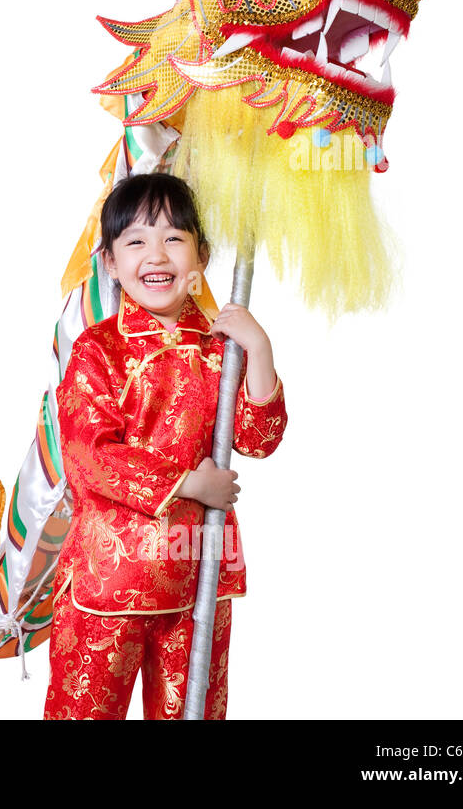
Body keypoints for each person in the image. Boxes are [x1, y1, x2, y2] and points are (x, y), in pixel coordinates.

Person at [44, 173, 287, 720]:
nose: (157, 254)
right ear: (108, 261)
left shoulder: (222, 348)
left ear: (202, 253)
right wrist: (189, 484)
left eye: (175, 238)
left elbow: (258, 438)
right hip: (110, 581)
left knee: (195, 712)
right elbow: (88, 455)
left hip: (201, 573)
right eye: (136, 241)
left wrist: (259, 348)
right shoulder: (98, 350)